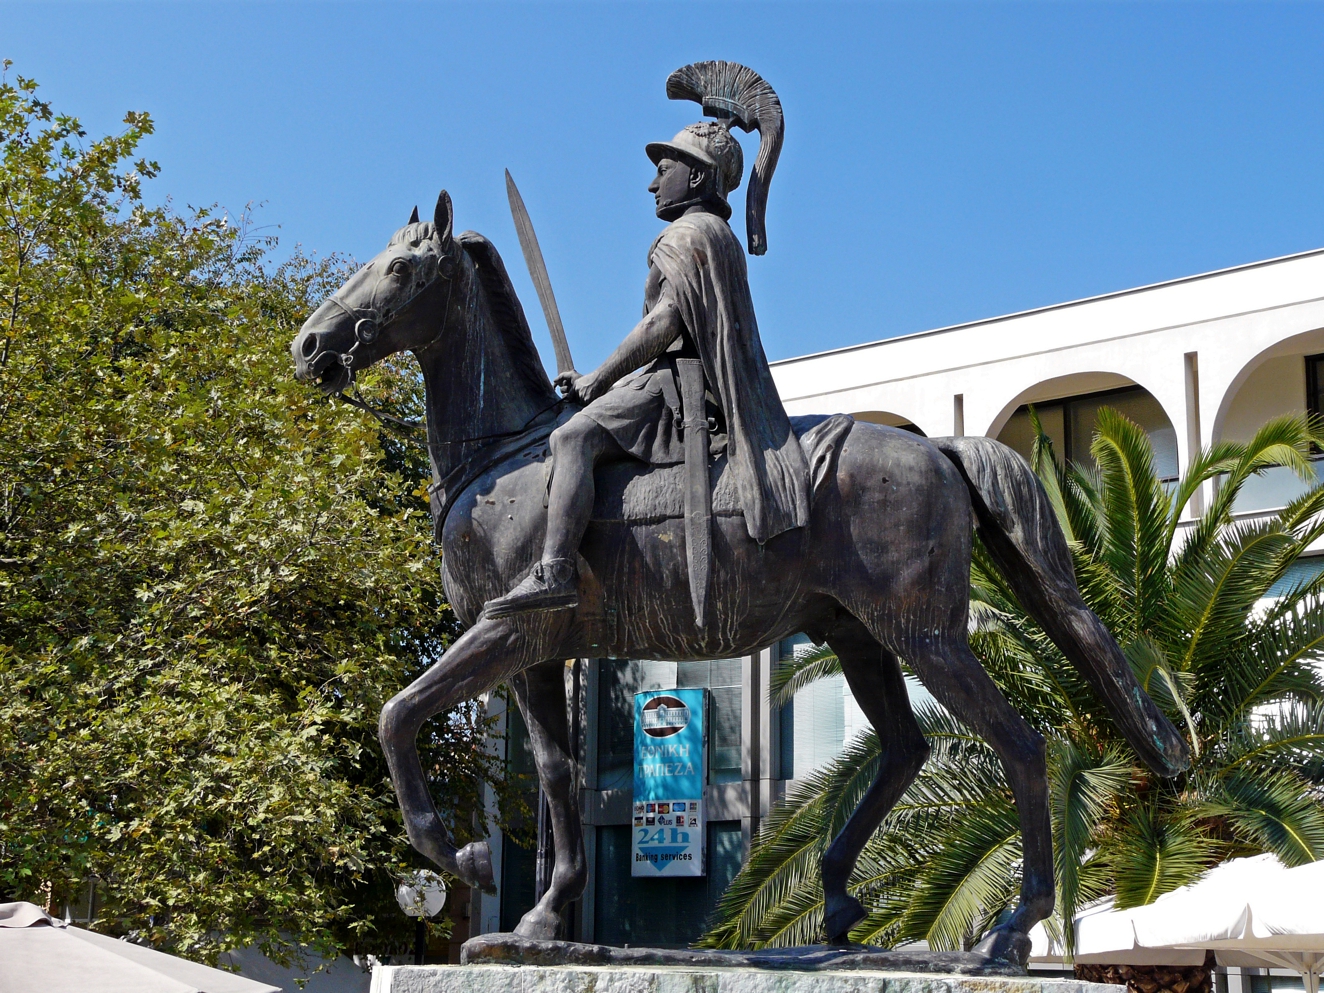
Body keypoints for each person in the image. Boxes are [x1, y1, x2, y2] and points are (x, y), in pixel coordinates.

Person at [483, 120, 808, 619]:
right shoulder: (716, 234)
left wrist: (598, 379)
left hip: (679, 388)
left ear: (698, 177)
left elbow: (663, 325)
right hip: (683, 381)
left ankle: (555, 571)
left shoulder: (686, 233)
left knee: (570, 439)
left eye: (663, 170)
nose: (652, 184)